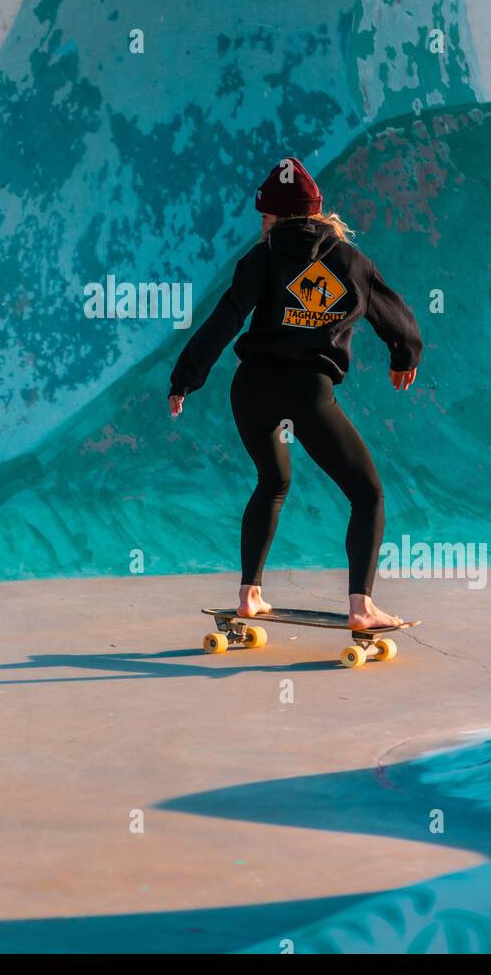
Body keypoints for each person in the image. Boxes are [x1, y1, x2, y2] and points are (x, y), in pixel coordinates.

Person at [167, 157, 422, 631]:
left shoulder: (261, 259)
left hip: (252, 391)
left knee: (272, 482)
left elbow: (225, 319)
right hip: (308, 393)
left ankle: (250, 595)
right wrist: (404, 354)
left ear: (281, 216)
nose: (261, 225)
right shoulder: (350, 262)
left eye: (264, 216)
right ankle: (361, 607)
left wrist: (186, 378)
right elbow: (395, 313)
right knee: (367, 493)